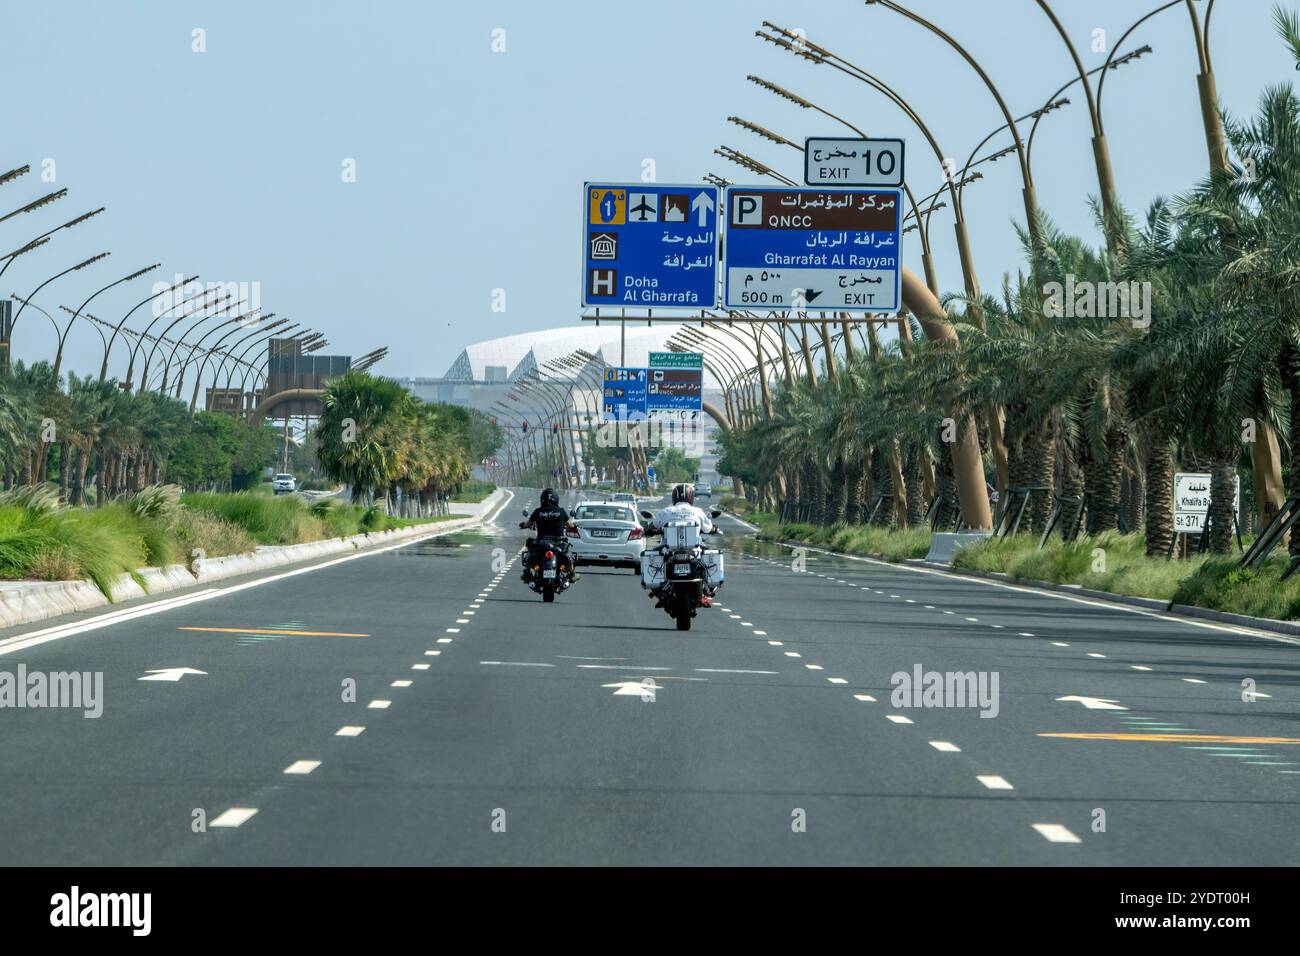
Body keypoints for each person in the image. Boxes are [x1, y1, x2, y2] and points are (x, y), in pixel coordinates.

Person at [649, 483, 716, 605]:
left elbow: (653, 525)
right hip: (694, 551)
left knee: (653, 559)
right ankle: (706, 591)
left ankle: (660, 594)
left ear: (674, 497)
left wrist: (649, 529)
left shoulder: (666, 511)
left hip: (669, 551)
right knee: (708, 558)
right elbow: (708, 528)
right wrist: (714, 529)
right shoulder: (698, 511)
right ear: (691, 497)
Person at [519, 488, 579, 582]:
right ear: (556, 499)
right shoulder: (561, 511)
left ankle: (526, 572)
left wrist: (523, 525)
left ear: (542, 499)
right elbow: (570, 525)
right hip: (558, 542)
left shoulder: (538, 511)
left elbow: (528, 524)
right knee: (569, 555)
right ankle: (572, 574)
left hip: (542, 542)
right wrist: (574, 526)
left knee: (530, 551)